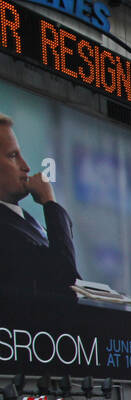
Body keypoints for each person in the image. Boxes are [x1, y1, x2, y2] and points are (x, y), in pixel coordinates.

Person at [0, 114, 79, 303]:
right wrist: (49, 203)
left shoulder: (24, 220)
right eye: (12, 156)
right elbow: (63, 275)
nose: (26, 167)